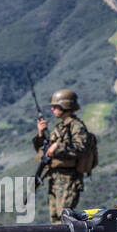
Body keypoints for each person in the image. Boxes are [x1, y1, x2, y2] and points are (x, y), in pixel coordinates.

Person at [33, 89, 92, 221]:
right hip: (55, 177)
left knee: (64, 217)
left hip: (69, 178)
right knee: (55, 217)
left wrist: (58, 147)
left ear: (65, 106)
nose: (52, 109)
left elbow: (81, 148)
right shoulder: (60, 127)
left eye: (55, 106)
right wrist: (41, 134)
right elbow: (44, 150)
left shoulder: (76, 126)